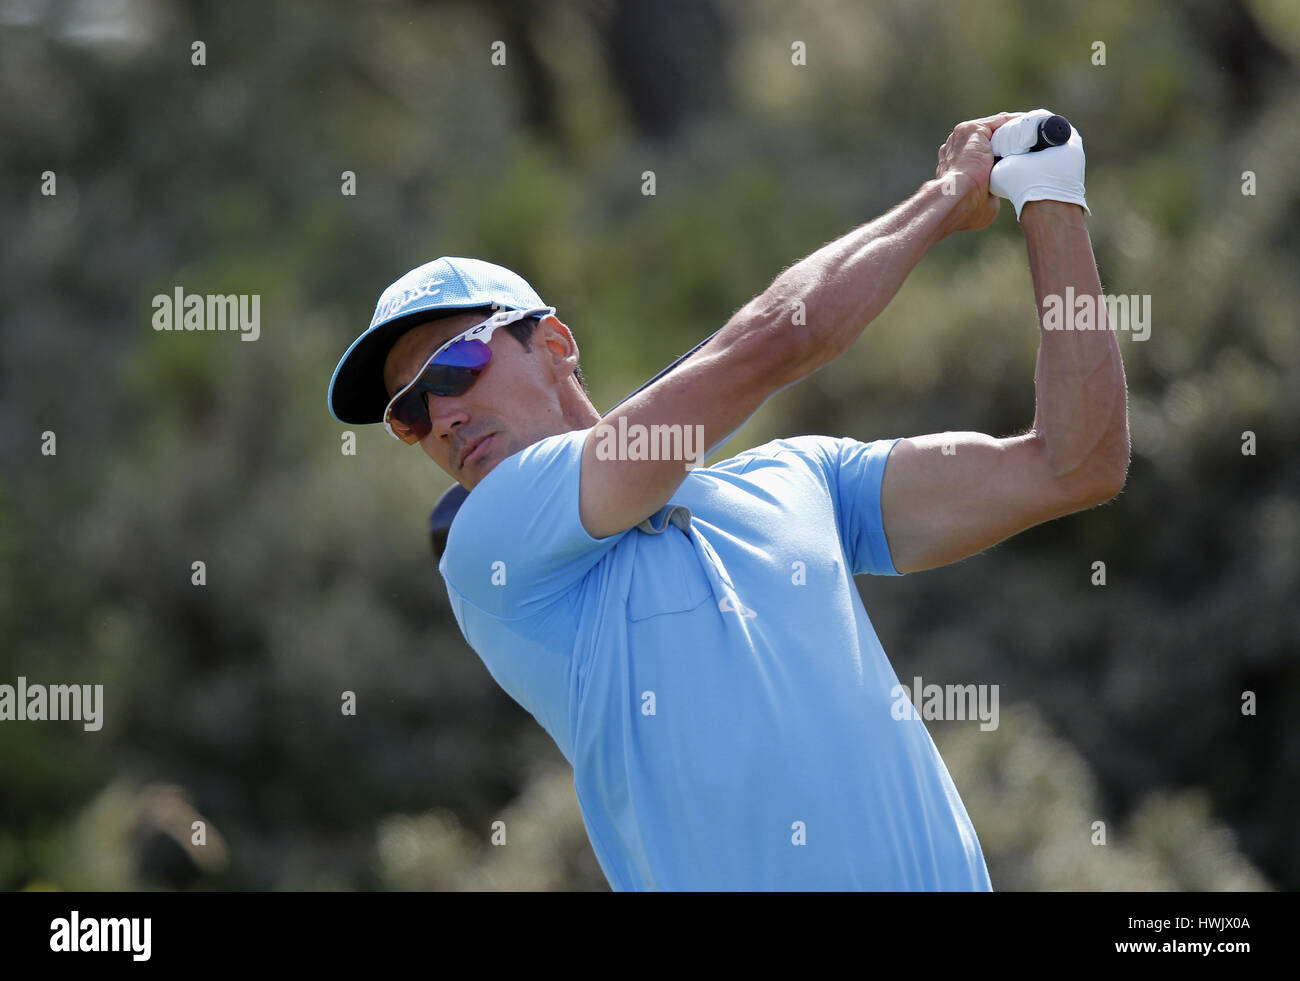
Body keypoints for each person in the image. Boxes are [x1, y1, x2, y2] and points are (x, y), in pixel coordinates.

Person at [327, 110, 1129, 890]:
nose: (441, 417)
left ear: (556, 344)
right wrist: (947, 195)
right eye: (408, 411)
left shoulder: (800, 479)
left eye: (455, 366)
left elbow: (1076, 464)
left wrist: (1051, 200)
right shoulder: (490, 546)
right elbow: (780, 339)